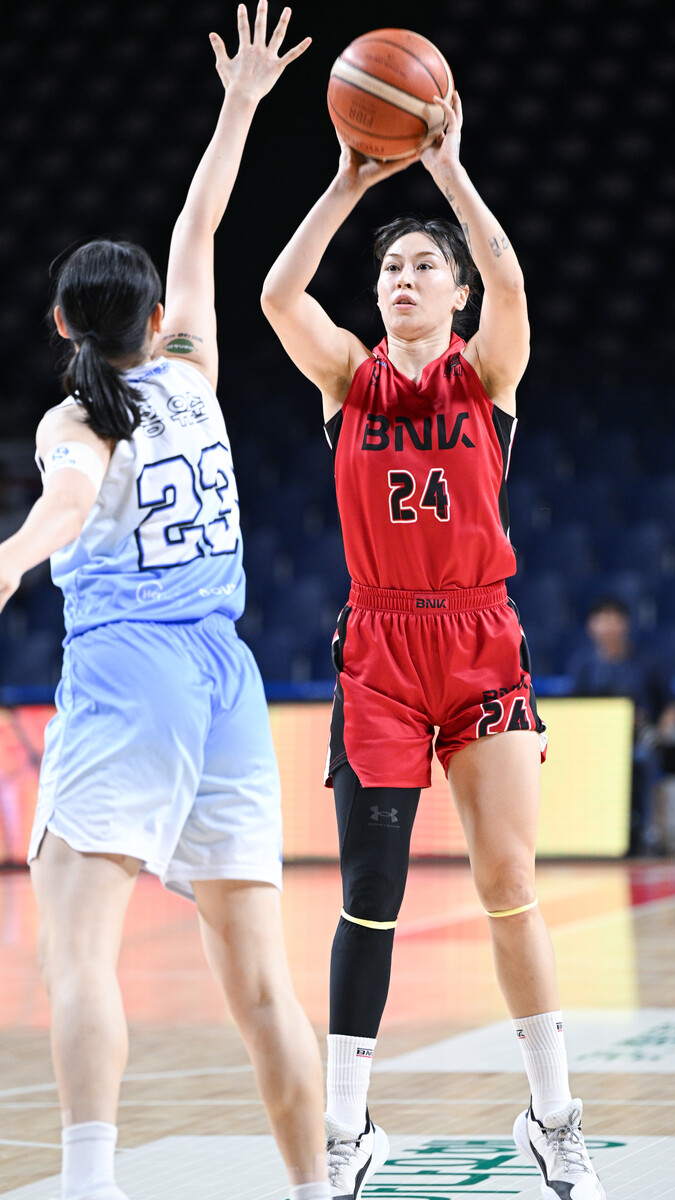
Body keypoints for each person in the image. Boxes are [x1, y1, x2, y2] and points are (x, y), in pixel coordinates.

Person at [0, 7, 332, 1200]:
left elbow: (64, 510)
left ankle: (91, 1187)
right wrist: (240, 101)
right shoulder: (194, 374)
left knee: (77, 957)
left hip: (130, 678)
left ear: (59, 328)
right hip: (225, 685)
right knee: (261, 986)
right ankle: (311, 1189)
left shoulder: (75, 417)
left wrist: (8, 561)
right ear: (155, 322)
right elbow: (200, 225)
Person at [260, 90, 606, 1200]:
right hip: (379, 651)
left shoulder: (485, 376)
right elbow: (274, 293)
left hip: (477, 638)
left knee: (509, 881)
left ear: (450, 296)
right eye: (389, 270)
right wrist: (350, 183)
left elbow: (510, 282)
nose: (401, 279)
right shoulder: (344, 380)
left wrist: (447, 174)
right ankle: (346, 1130)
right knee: (370, 891)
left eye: (421, 267)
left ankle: (553, 1119)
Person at [567, 595, 675, 855]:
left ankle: (650, 833)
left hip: (637, 740)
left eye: (614, 619)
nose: (608, 625)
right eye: (602, 619)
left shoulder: (648, 662)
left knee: (645, 760)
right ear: (590, 625)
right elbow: (573, 707)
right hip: (595, 743)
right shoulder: (583, 666)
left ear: (626, 624)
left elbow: (672, 705)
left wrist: (660, 732)